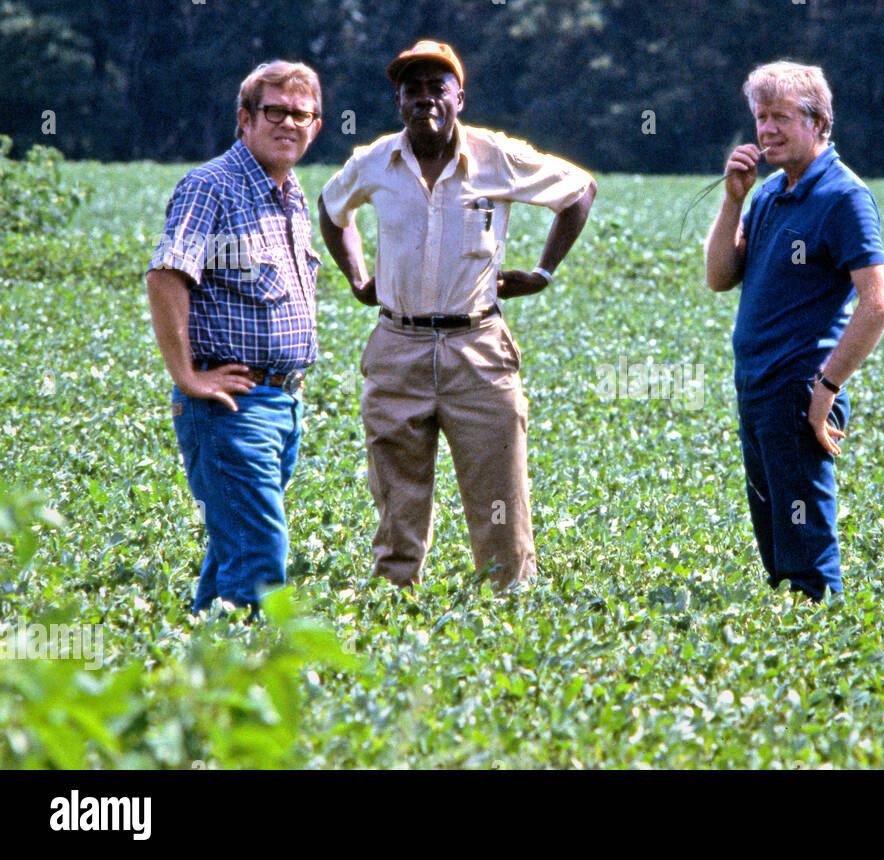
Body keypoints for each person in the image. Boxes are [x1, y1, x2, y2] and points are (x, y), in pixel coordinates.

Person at [319, 40, 596, 593]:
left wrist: (541, 273)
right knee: (396, 495)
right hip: (398, 345)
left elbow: (580, 190)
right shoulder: (374, 162)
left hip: (479, 346)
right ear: (398, 101)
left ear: (459, 98)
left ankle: (508, 605)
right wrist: (356, 279)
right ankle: (395, 604)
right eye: (412, 89)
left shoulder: (499, 157)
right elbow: (331, 210)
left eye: (436, 88)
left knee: (499, 494)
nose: (425, 99)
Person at [704, 61, 884, 603]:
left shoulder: (844, 198)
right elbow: (720, 277)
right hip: (757, 385)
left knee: (808, 558)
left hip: (798, 391)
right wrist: (733, 199)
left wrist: (825, 389)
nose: (766, 130)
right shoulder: (767, 193)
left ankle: (826, 663)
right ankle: (790, 654)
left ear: (818, 123)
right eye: (761, 118)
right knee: (776, 551)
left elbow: (878, 303)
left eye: (781, 118)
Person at [146, 60, 324, 617]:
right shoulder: (212, 186)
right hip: (232, 409)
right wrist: (187, 376)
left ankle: (192, 680)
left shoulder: (291, 194)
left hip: (283, 404)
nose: (289, 124)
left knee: (233, 554)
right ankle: (242, 692)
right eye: (275, 111)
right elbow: (167, 274)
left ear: (317, 125)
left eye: (302, 114)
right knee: (260, 560)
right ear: (245, 119)